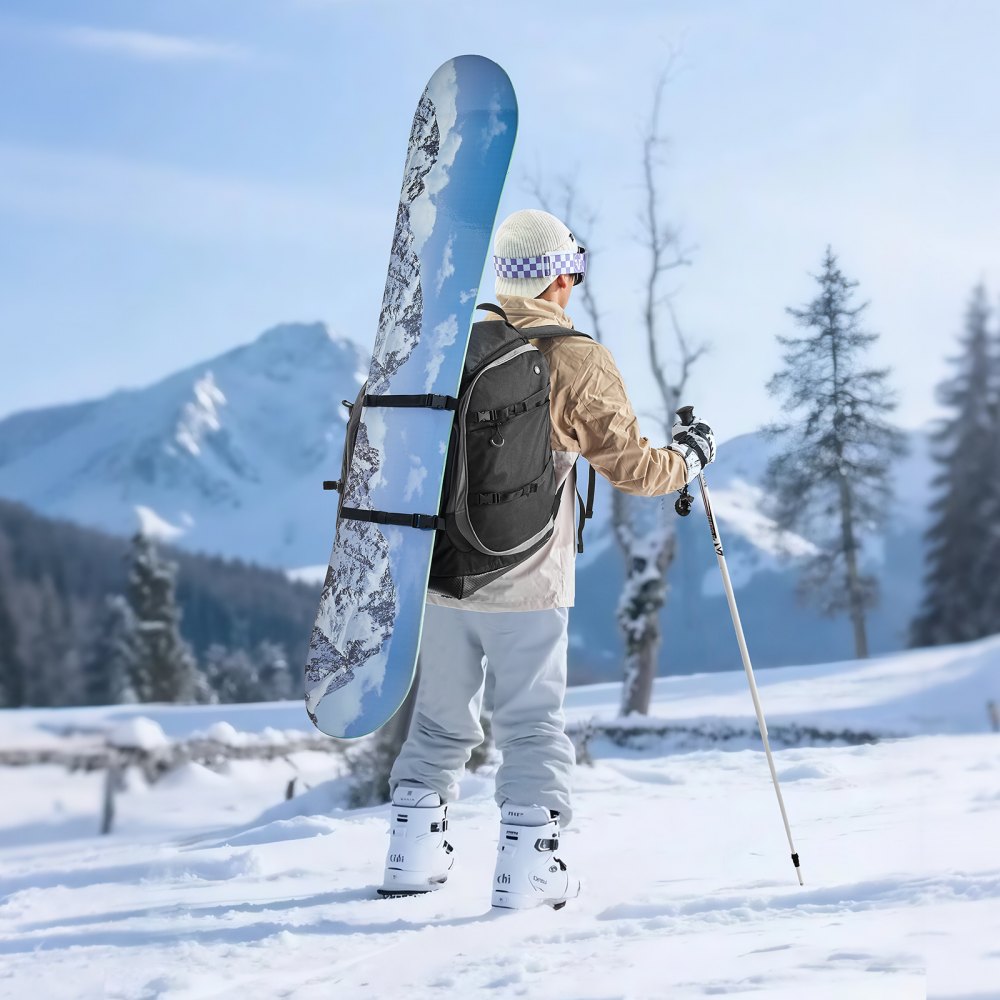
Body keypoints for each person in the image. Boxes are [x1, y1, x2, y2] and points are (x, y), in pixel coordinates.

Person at [381, 209, 717, 909]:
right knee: (530, 721)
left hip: (441, 575)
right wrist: (690, 457)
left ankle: (410, 854)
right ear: (562, 276)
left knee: (441, 720)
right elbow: (636, 470)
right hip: (528, 578)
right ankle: (527, 870)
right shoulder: (575, 357)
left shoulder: (456, 346)